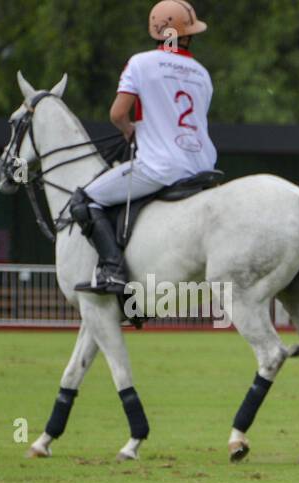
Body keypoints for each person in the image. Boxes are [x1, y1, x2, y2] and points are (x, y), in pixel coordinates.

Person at [68, 1, 216, 294]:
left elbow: (118, 114)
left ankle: (113, 270)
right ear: (188, 35)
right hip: (204, 167)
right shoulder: (202, 73)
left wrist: (129, 132)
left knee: (83, 201)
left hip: (161, 167)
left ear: (157, 31)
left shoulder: (141, 63)